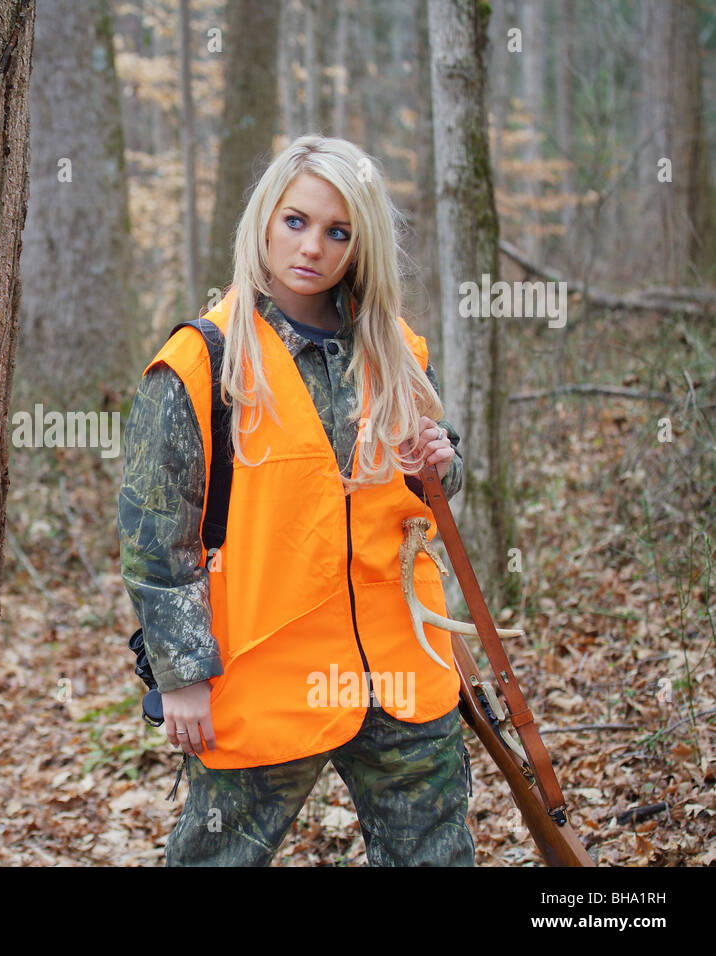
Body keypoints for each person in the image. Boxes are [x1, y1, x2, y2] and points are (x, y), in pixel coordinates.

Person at [117, 135, 475, 866]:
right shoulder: (202, 359)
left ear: (360, 242)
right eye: (296, 221)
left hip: (401, 667)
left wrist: (440, 465)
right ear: (264, 221)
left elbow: (426, 489)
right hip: (264, 668)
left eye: (338, 231)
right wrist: (183, 676)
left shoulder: (396, 348)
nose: (313, 246)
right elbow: (157, 539)